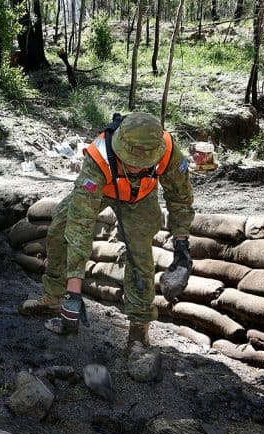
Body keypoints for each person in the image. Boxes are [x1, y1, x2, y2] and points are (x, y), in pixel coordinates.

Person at [19, 112, 194, 349]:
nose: (136, 168)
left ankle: (138, 332)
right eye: (131, 161)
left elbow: (180, 199)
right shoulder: (98, 155)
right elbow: (80, 223)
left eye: (143, 164)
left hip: (139, 198)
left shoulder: (168, 151)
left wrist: (182, 246)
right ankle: (55, 298)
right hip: (101, 189)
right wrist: (74, 291)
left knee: (139, 253)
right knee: (61, 225)